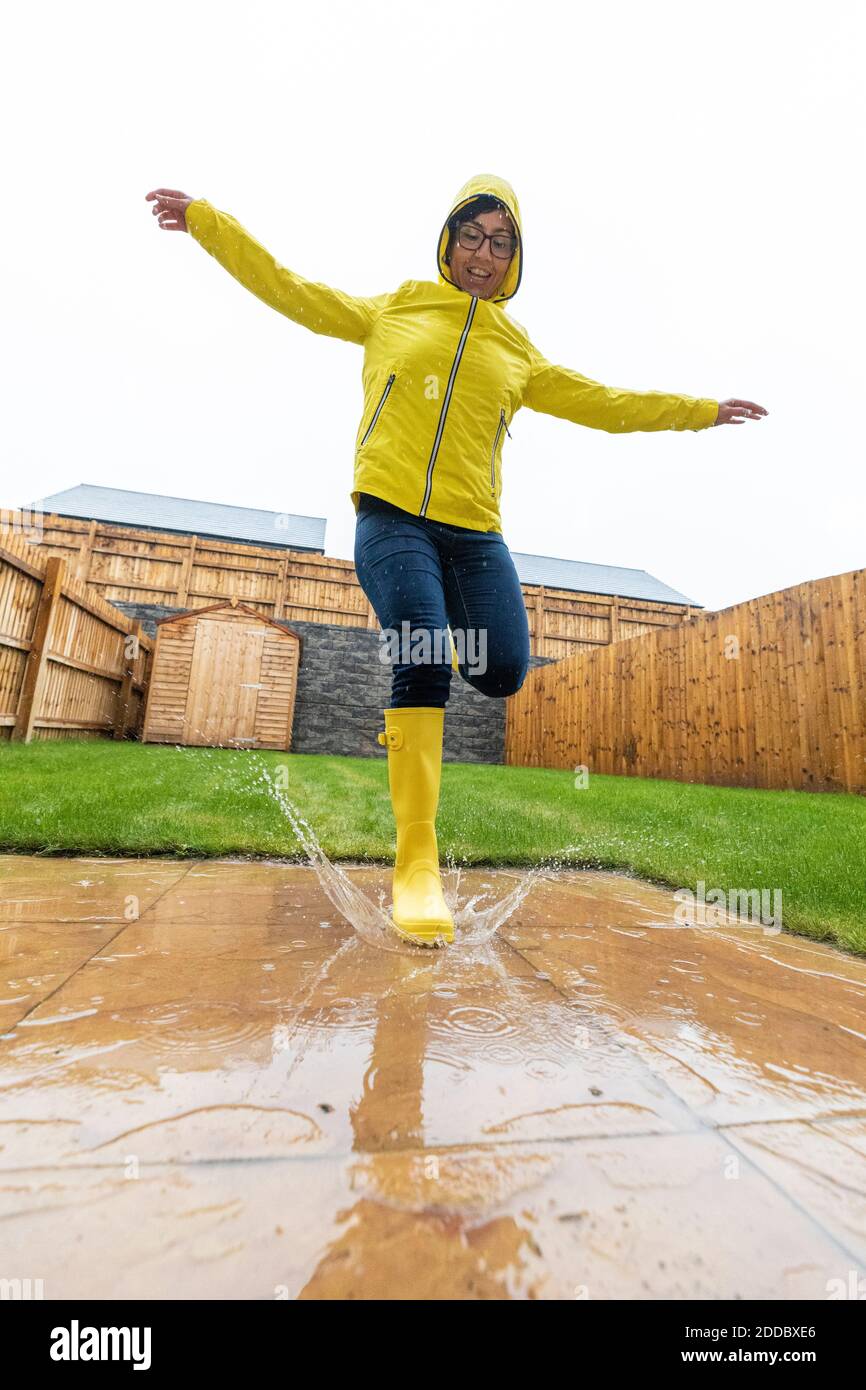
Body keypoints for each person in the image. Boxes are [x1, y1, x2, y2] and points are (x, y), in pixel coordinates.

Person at [145, 176, 767, 948]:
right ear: (448, 242)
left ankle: (410, 726)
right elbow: (290, 290)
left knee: (503, 670)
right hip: (393, 518)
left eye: (501, 243)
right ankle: (416, 864)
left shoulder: (518, 351)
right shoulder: (396, 307)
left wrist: (700, 412)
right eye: (472, 236)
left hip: (474, 538)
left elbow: (608, 403)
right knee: (423, 656)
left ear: (515, 261)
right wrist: (209, 223)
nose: (484, 253)